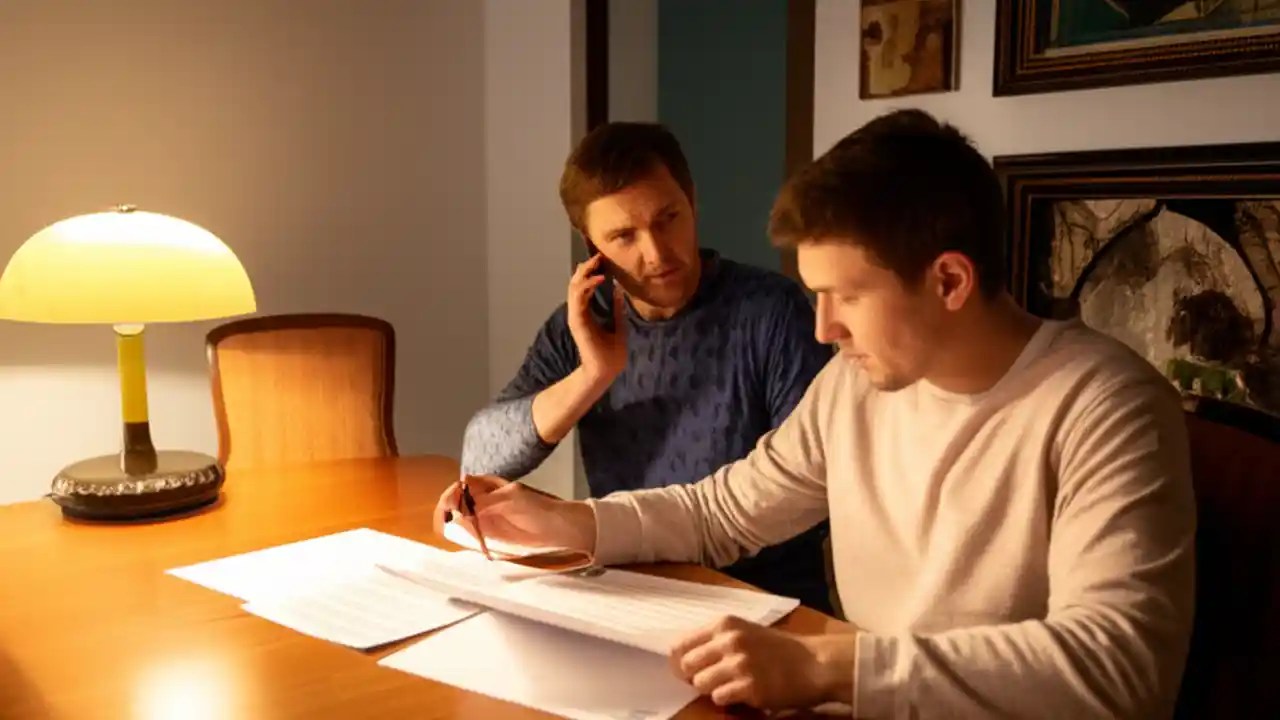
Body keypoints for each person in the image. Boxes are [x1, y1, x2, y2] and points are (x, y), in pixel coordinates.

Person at [439, 109, 1197, 717]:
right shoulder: (855, 384)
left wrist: (829, 667)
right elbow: (724, 510)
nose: (822, 328)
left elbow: (1119, 670)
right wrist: (568, 524)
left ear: (950, 281)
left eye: (848, 296)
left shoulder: (1107, 409)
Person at [459, 121, 835, 613]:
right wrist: (591, 376)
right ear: (590, 244)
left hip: (762, 598)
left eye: (668, 218)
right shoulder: (582, 324)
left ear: (692, 200)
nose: (657, 253)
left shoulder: (771, 310)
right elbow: (479, 459)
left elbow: (811, 496)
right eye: (623, 236)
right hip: (634, 591)